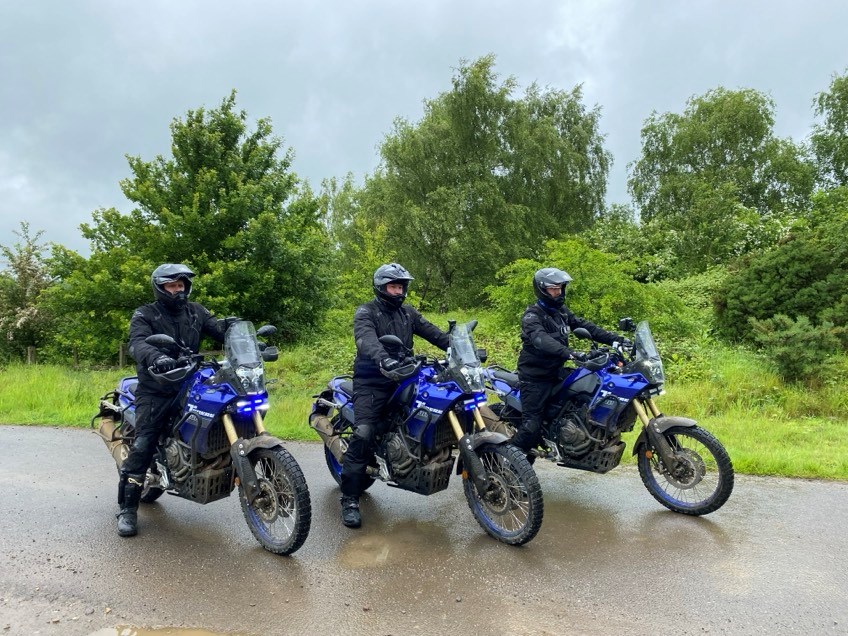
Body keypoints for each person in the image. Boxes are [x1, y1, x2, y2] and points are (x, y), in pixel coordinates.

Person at [117, 263, 238, 538]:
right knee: (144, 442)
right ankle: (127, 509)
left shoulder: (196, 311)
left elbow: (218, 330)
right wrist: (156, 357)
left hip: (190, 381)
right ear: (160, 287)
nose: (177, 290)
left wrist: (235, 330)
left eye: (181, 285)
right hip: (156, 388)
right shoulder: (145, 314)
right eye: (172, 286)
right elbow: (138, 344)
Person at [340, 263, 450, 528]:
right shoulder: (367, 312)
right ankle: (349, 499)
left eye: (401, 286)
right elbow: (366, 340)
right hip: (372, 381)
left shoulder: (407, 313)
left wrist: (456, 346)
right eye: (393, 286)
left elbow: (433, 332)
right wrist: (383, 360)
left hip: (405, 376)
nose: (398, 291)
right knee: (364, 432)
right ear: (380, 287)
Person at [512, 267, 626, 456]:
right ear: (542, 289)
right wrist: (570, 353)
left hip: (556, 371)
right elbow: (541, 339)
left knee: (584, 394)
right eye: (553, 289)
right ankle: (506, 459)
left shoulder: (561, 312)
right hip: (535, 378)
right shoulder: (532, 316)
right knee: (531, 426)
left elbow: (584, 326)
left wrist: (616, 339)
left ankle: (574, 436)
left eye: (560, 288)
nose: (557, 292)